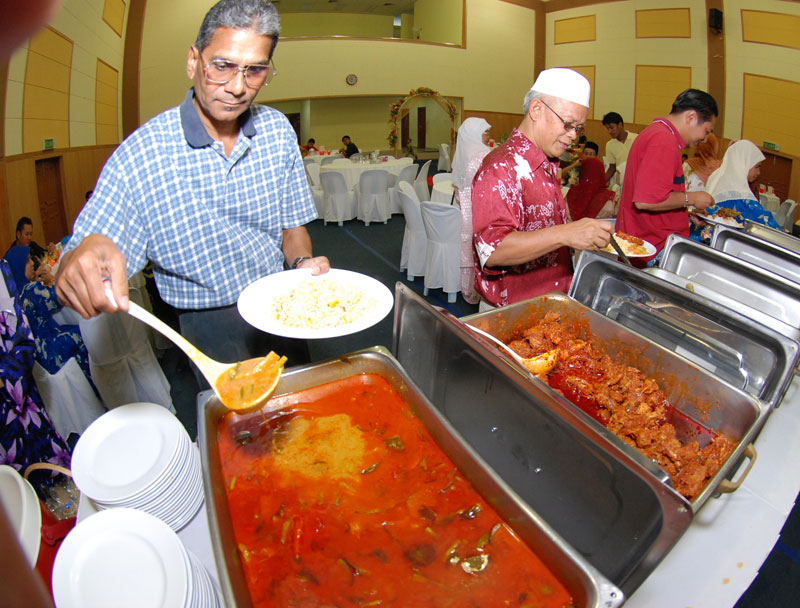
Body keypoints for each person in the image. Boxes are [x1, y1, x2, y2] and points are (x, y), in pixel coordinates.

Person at [56, 0, 330, 380]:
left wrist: (302, 265)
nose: (237, 87)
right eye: (222, 66)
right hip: (208, 324)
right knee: (239, 430)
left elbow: (292, 228)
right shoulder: (144, 153)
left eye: (254, 70)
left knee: (303, 407)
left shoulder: (278, 132)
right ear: (193, 61)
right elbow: (88, 248)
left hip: (280, 303)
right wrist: (84, 256)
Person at [471, 68, 613, 309]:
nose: (573, 136)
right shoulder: (501, 167)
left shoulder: (546, 162)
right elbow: (493, 251)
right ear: (536, 109)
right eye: (568, 124)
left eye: (578, 129)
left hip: (547, 300)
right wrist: (567, 233)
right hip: (513, 310)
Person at [615, 89, 718, 267]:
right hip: (651, 247)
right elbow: (646, 201)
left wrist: (684, 212)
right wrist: (692, 198)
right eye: (706, 130)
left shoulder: (658, 133)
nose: (705, 138)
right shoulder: (663, 140)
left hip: (648, 242)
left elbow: (659, 193)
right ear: (691, 117)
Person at [452, 117, 491, 305]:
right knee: (477, 248)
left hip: (462, 210)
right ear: (476, 134)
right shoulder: (483, 154)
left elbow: (458, 185)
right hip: (479, 210)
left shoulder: (464, 152)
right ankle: (475, 289)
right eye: (485, 132)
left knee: (466, 247)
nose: (488, 136)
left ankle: (465, 288)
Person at [702, 139, 781, 230]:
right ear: (744, 164)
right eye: (757, 166)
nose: (759, 172)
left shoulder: (716, 177)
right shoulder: (739, 193)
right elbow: (761, 218)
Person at [566, 147, 617, 221]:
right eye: (586, 153)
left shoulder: (571, 194)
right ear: (601, 174)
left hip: (572, 231)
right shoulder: (611, 198)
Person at [602, 112, 637, 185]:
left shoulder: (637, 138)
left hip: (637, 180)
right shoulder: (609, 145)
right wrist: (600, 182)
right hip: (620, 182)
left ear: (620, 125)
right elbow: (612, 168)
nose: (609, 131)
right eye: (607, 129)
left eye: (612, 128)